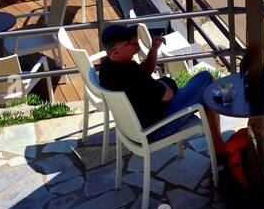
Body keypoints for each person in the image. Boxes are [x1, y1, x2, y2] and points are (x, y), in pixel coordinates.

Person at [96, 21, 227, 151]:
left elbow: (144, 71)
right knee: (205, 79)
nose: (135, 40)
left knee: (200, 91)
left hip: (139, 124)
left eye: (133, 36)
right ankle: (218, 146)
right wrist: (165, 83)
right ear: (116, 50)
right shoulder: (134, 77)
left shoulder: (108, 67)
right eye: (130, 41)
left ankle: (216, 143)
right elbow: (167, 95)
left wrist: (153, 50)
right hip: (159, 126)